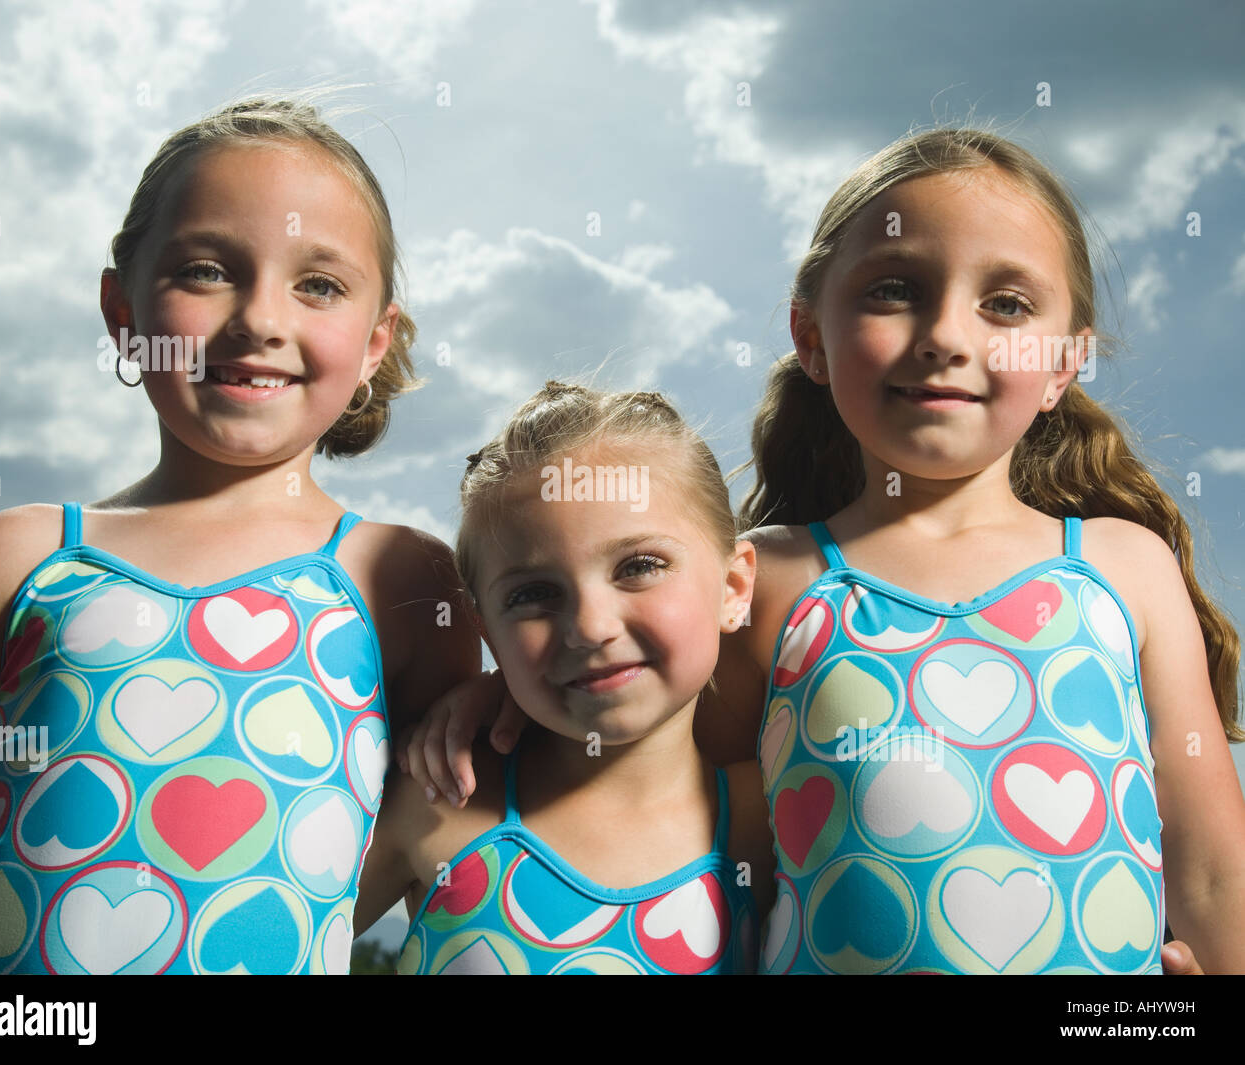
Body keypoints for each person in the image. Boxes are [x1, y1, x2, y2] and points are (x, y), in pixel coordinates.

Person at [403, 129, 1244, 974]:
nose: (947, 333)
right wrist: (499, 699)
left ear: (1065, 362)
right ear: (810, 335)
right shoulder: (772, 580)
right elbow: (645, 756)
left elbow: (1210, 873)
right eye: (895, 290)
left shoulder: (1125, 567)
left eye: (1007, 305)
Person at [0, 97, 479, 974]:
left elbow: (438, 858)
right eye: (205, 270)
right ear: (123, 309)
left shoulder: (406, 579)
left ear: (377, 338)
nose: (260, 319)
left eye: (319, 284)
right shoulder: (21, 553)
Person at [356, 382, 772, 973]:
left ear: (733, 588)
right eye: (533, 595)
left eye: (639, 566)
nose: (589, 628)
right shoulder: (435, 806)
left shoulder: (772, 818)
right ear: (487, 632)